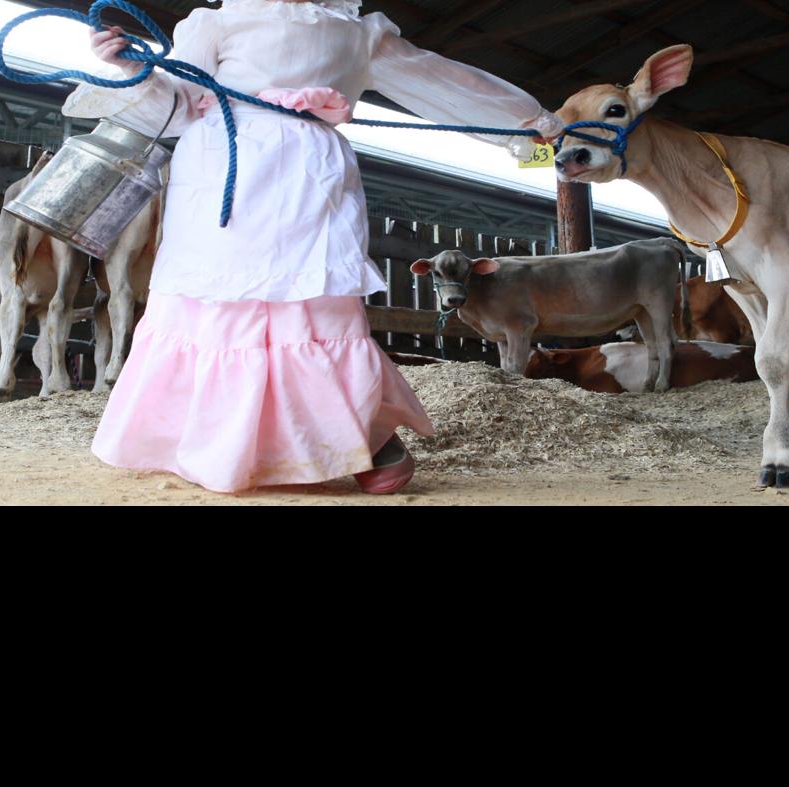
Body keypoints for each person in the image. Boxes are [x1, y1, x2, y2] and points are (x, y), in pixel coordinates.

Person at [64, 0, 564, 494]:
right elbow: (173, 107)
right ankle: (226, 446)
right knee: (218, 303)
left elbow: (441, 79)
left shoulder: (360, 32)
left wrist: (530, 119)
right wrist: (133, 68)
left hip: (310, 177)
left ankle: (363, 439)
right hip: (220, 176)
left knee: (314, 300)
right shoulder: (214, 22)